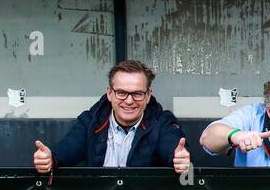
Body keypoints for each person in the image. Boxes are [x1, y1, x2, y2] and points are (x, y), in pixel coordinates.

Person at [32, 60, 191, 174]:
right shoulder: (91, 121)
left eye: (137, 94)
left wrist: (178, 159)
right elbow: (69, 147)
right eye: (121, 93)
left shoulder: (162, 122)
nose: (129, 101)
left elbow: (172, 147)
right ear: (109, 93)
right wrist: (50, 158)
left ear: (148, 95)